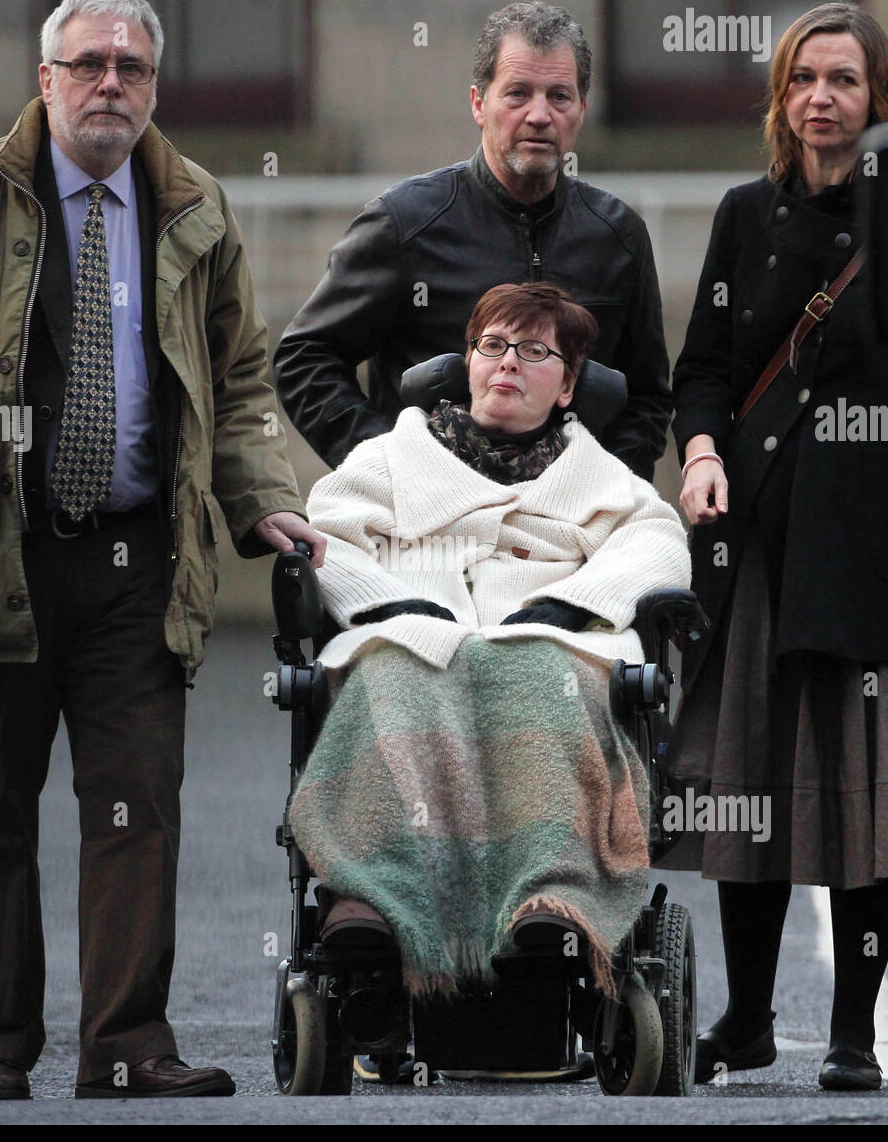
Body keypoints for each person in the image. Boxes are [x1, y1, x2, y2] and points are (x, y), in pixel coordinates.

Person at [0, 0, 324, 1100]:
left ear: (153, 87)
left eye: (132, 69)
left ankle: (128, 1045)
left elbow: (238, 385)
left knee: (136, 801)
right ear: (43, 79)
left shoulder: (194, 209)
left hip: (139, 558)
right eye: (89, 64)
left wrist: (262, 499)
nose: (111, 85)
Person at [666, 1, 888, 1092]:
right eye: (802, 80)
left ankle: (854, 1031)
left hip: (885, 547)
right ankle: (743, 1020)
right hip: (763, 541)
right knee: (754, 789)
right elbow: (705, 370)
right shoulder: (743, 216)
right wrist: (697, 456)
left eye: (843, 80)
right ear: (782, 99)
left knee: (873, 802)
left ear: (880, 100)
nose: (820, 97)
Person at [288, 282, 690, 1013]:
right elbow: (325, 537)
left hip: (548, 636)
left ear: (568, 384)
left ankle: (554, 897)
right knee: (396, 665)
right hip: (411, 625)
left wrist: (571, 603)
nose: (507, 362)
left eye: (535, 351)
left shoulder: (603, 477)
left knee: (541, 671)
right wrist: (391, 602)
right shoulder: (389, 458)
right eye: (492, 345)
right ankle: (376, 895)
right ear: (468, 361)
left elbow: (659, 544)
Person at [275, 0, 672, 482]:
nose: (539, 115)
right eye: (518, 93)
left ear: (582, 110)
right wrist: (389, 468)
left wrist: (605, 489)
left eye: (559, 96)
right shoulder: (405, 222)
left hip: (574, 535)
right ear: (478, 103)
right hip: (427, 532)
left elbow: (647, 396)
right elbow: (306, 357)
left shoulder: (618, 235)